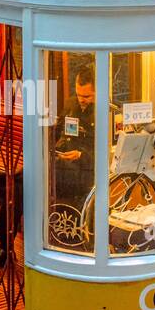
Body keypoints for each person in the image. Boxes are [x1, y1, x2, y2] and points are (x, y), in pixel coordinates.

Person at [52, 67, 96, 212]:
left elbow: (104, 154)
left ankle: (10, 179)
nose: (81, 100)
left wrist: (80, 155)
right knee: (26, 182)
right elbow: (59, 131)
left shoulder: (103, 112)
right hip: (64, 161)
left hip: (84, 171)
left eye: (87, 96)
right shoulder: (71, 104)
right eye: (78, 94)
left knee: (37, 173)